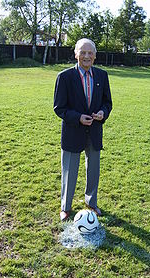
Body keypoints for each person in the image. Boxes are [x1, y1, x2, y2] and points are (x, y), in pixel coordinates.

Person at [54, 38, 112, 221]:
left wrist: (103, 112)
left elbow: (107, 102)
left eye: (90, 53)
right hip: (73, 132)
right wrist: (78, 117)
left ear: (95, 56)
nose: (86, 56)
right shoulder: (64, 77)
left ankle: (91, 203)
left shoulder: (102, 76)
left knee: (93, 170)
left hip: (94, 133)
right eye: (83, 52)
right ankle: (66, 207)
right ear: (76, 54)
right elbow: (59, 108)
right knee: (69, 171)